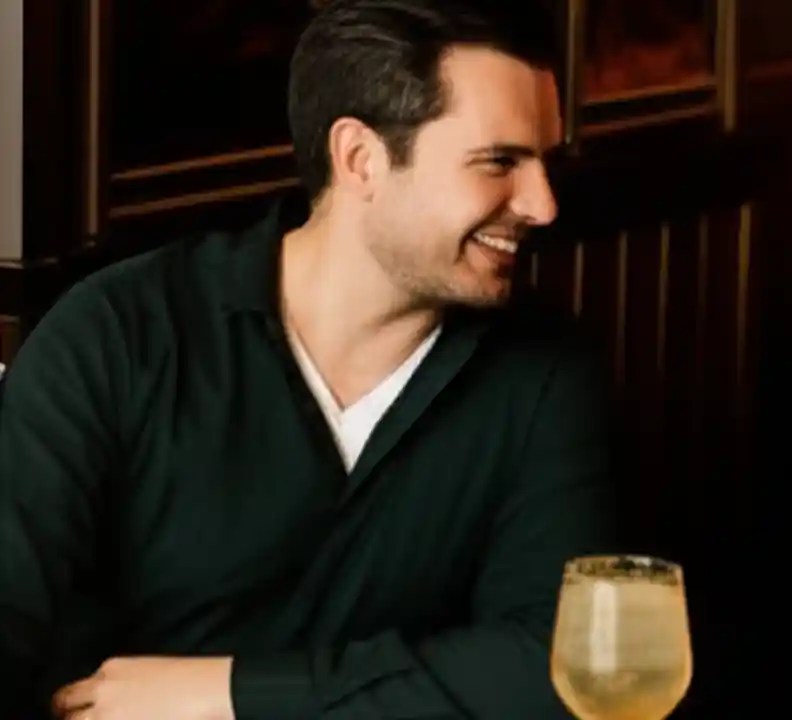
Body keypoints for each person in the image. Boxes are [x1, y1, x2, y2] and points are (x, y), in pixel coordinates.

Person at [0, 1, 618, 718]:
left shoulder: (545, 370)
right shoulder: (119, 335)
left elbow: (552, 672)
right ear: (359, 157)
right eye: (499, 163)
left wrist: (227, 694)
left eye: (546, 161)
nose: (543, 204)